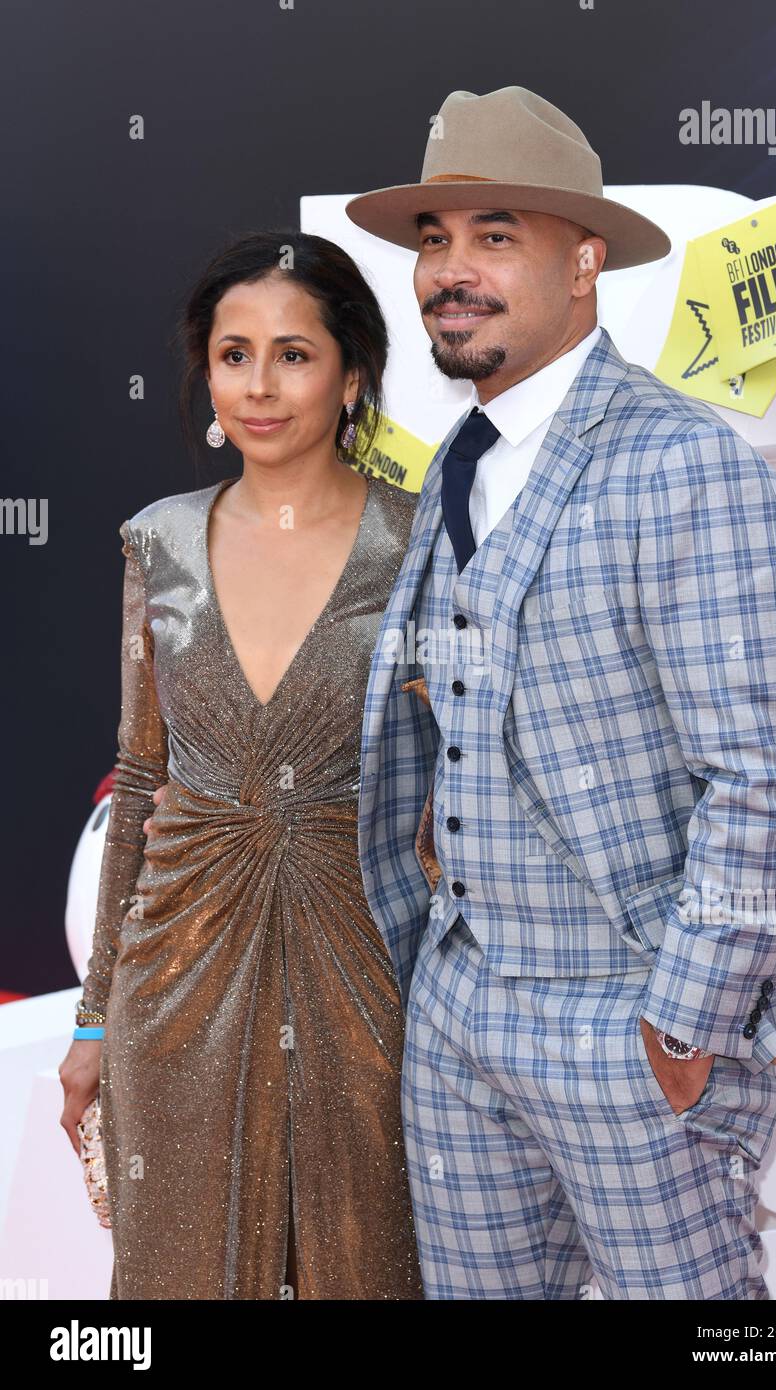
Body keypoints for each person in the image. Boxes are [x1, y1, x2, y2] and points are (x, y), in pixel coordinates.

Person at [348, 86, 776, 1299]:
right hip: (459, 1004)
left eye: (493, 235)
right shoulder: (455, 465)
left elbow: (762, 773)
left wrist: (682, 1022)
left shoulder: (684, 461)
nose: (448, 272)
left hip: (625, 1013)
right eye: (433, 239)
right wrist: (433, 980)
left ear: (583, 261)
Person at [58, 230, 423, 1300]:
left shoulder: (422, 545)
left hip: (368, 988)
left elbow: (459, 794)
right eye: (234, 354)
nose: (260, 386)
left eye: (294, 355)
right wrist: (91, 1019)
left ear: (353, 373)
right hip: (173, 992)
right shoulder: (157, 543)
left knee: (370, 1271)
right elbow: (136, 784)